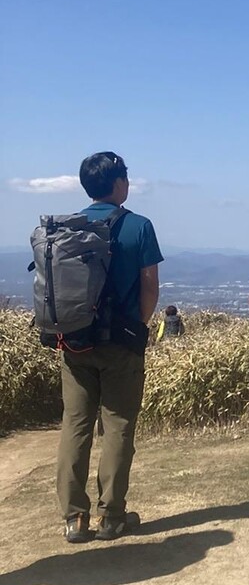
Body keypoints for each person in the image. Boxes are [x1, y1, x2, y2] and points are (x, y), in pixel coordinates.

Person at [56, 152, 163, 543]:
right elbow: (149, 286)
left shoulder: (68, 227)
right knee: (117, 425)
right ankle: (112, 516)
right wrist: (139, 327)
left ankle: (73, 518)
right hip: (121, 342)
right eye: (126, 177)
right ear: (118, 184)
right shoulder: (138, 226)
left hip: (75, 342)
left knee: (75, 425)